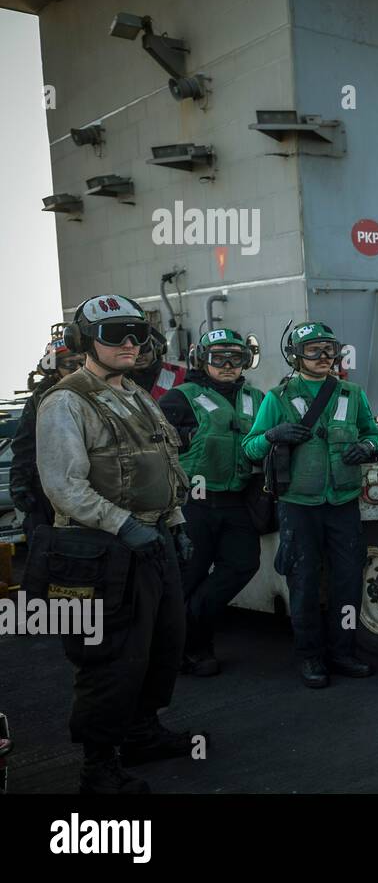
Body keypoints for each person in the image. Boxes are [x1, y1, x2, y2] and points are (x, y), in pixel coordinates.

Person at [33, 294, 197, 793]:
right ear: (87, 342)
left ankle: (141, 733)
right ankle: (98, 766)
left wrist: (176, 520)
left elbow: (165, 465)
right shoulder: (66, 401)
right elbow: (63, 485)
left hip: (153, 539)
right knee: (108, 658)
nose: (130, 343)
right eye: (114, 335)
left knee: (162, 645)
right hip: (100, 550)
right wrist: (124, 525)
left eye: (136, 333)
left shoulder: (137, 394)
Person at [242, 322, 378, 688]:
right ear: (296, 356)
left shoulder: (352, 393)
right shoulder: (278, 398)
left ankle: (344, 651)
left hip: (343, 502)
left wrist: (366, 447)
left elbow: (372, 433)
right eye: (314, 350)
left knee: (349, 582)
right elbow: (250, 447)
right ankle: (310, 656)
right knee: (302, 584)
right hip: (298, 505)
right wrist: (272, 435)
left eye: (329, 349)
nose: (324, 357)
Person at [159, 328, 265, 677]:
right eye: (218, 357)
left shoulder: (258, 398)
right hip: (194, 503)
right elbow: (155, 447)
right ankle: (189, 650)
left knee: (243, 564)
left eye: (235, 357)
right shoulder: (179, 398)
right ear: (202, 360)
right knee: (189, 575)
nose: (228, 364)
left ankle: (191, 623)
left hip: (237, 500)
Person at [10, 325, 83, 548]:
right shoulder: (40, 399)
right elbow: (24, 444)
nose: (77, 369)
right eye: (70, 364)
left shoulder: (102, 392)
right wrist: (19, 484)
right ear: (54, 369)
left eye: (82, 362)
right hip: (47, 491)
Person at [128, 326, 186, 401]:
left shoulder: (180, 374)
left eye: (144, 349)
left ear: (156, 348)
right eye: (131, 352)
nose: (138, 357)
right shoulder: (116, 380)